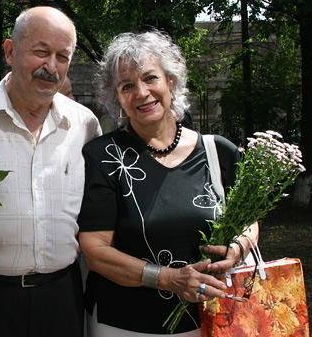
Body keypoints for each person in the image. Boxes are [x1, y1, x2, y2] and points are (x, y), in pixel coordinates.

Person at [77, 30, 258, 336]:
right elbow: (94, 251)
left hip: (214, 320)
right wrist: (170, 279)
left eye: (150, 78)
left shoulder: (218, 151)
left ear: (170, 82)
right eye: (127, 86)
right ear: (117, 98)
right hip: (126, 324)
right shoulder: (104, 157)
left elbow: (248, 219)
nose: (142, 93)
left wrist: (239, 247)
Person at [0, 6, 102, 337]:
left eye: (62, 56)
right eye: (41, 52)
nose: (51, 67)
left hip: (61, 297)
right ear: (10, 51)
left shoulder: (85, 125)